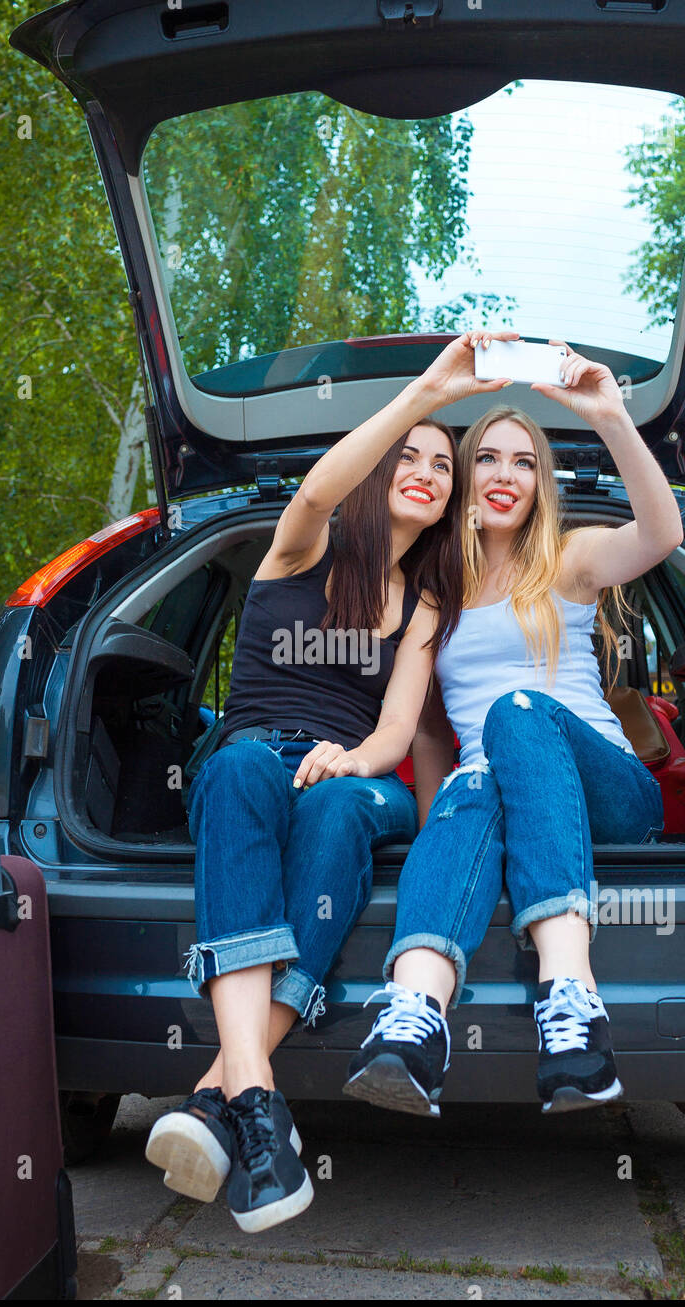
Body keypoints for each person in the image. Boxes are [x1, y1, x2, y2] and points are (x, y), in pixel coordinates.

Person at [145, 329, 519, 1230]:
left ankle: (223, 1095)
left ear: (449, 504)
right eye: (412, 457)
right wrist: (429, 396)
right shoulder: (300, 545)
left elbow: (396, 732)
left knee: (343, 802)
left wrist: (350, 758)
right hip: (259, 756)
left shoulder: (427, 601)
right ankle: (253, 1111)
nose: (428, 470)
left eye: (444, 467)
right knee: (234, 769)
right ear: (380, 467)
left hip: (360, 776)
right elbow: (319, 483)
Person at [344, 335, 683, 1118]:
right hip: (495, 791)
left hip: (610, 794)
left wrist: (608, 417)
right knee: (474, 772)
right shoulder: (437, 597)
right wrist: (445, 834)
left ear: (541, 484)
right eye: (489, 458)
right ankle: (414, 1022)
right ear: (465, 481)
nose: (505, 474)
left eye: (525, 461)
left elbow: (661, 533)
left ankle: (571, 995)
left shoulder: (567, 561)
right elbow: (424, 736)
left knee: (511, 714)